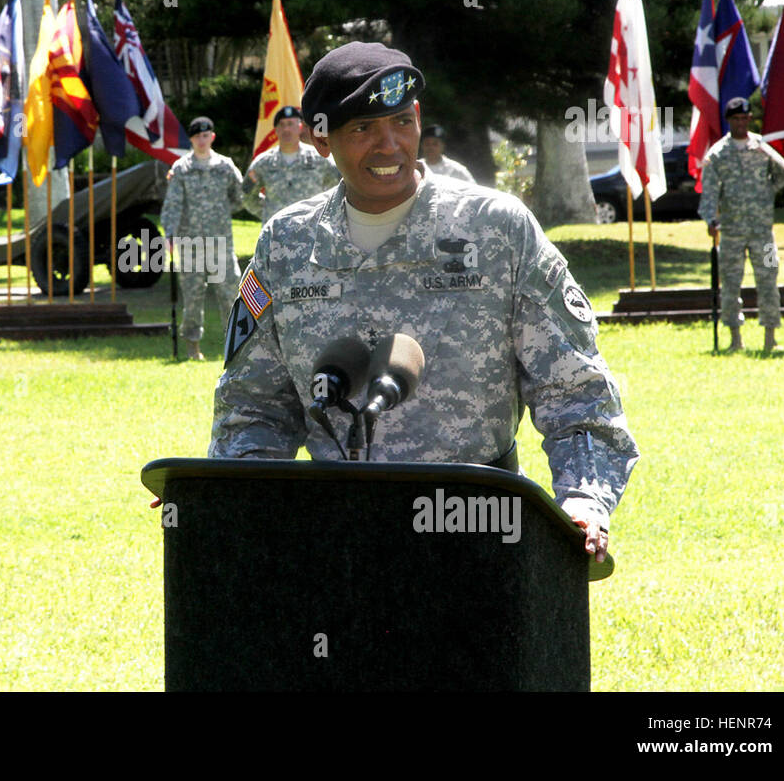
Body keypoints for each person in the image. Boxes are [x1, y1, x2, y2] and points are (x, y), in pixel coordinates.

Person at [209, 42, 638, 561]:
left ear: (418, 117)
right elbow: (255, 407)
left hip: (480, 535)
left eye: (400, 122)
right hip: (335, 541)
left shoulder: (497, 230)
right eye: (362, 129)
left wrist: (585, 501)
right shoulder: (287, 245)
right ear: (322, 139)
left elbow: (577, 395)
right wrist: (223, 499)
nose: (389, 145)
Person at [698, 97, 784, 352]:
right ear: (729, 121)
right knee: (730, 283)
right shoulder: (718, 154)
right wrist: (710, 218)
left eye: (744, 119)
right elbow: (709, 191)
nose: (741, 123)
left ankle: (770, 338)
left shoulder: (761, 147)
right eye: (736, 119)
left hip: (764, 232)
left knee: (769, 280)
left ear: (750, 119)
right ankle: (735, 339)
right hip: (732, 232)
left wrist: (768, 192)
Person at [161, 116, 244, 361]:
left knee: (230, 293)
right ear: (191, 139)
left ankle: (236, 347)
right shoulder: (181, 169)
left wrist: (219, 213)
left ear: (213, 137)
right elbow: (173, 204)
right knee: (193, 297)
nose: (201, 140)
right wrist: (170, 234)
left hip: (221, 243)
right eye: (197, 136)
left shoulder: (226, 166)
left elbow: (238, 197)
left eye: (206, 135)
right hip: (191, 244)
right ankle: (192, 348)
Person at [243, 105, 341, 224]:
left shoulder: (320, 159)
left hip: (311, 232)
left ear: (300, 127)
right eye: (282, 125)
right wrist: (268, 213)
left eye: (290, 124)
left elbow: (339, 188)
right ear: (276, 130)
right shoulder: (263, 163)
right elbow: (247, 195)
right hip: (275, 233)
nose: (286, 129)